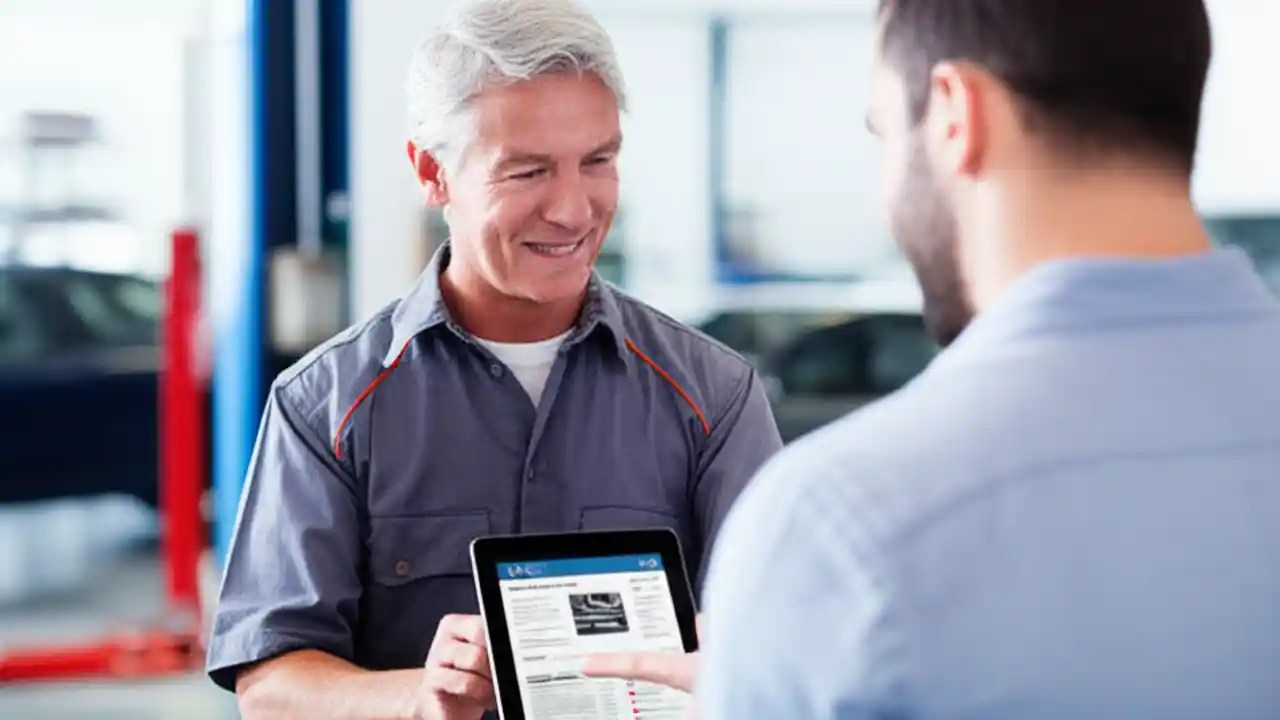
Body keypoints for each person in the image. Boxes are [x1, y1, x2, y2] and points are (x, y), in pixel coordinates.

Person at [585, 0, 1280, 717]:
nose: (886, 193)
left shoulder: (842, 527)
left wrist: (776, 665)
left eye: (886, 135)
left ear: (955, 114)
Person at [205, 1, 782, 717]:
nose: (573, 210)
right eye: (529, 171)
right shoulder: (323, 405)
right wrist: (417, 695)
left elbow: (784, 648)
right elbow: (269, 683)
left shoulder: (714, 395)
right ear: (431, 171)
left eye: (598, 161)